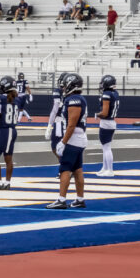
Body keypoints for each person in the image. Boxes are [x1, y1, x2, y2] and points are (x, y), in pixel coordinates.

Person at [48, 72, 89, 209]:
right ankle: (79, 199)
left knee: (65, 168)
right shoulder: (77, 98)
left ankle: (61, 199)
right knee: (77, 170)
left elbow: (71, 124)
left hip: (73, 138)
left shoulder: (74, 100)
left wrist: (63, 141)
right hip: (79, 137)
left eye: (66, 85)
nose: (64, 88)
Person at [0, 75, 19, 190]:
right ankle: (7, 183)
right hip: (12, 130)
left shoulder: (0, 98)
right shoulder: (17, 99)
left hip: (5, 131)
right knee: (8, 158)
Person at [95, 74, 120, 178]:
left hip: (106, 122)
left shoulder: (106, 94)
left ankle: (109, 169)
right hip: (111, 122)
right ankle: (105, 168)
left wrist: (97, 115)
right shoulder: (115, 93)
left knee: (106, 148)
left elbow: (104, 113)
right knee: (105, 147)